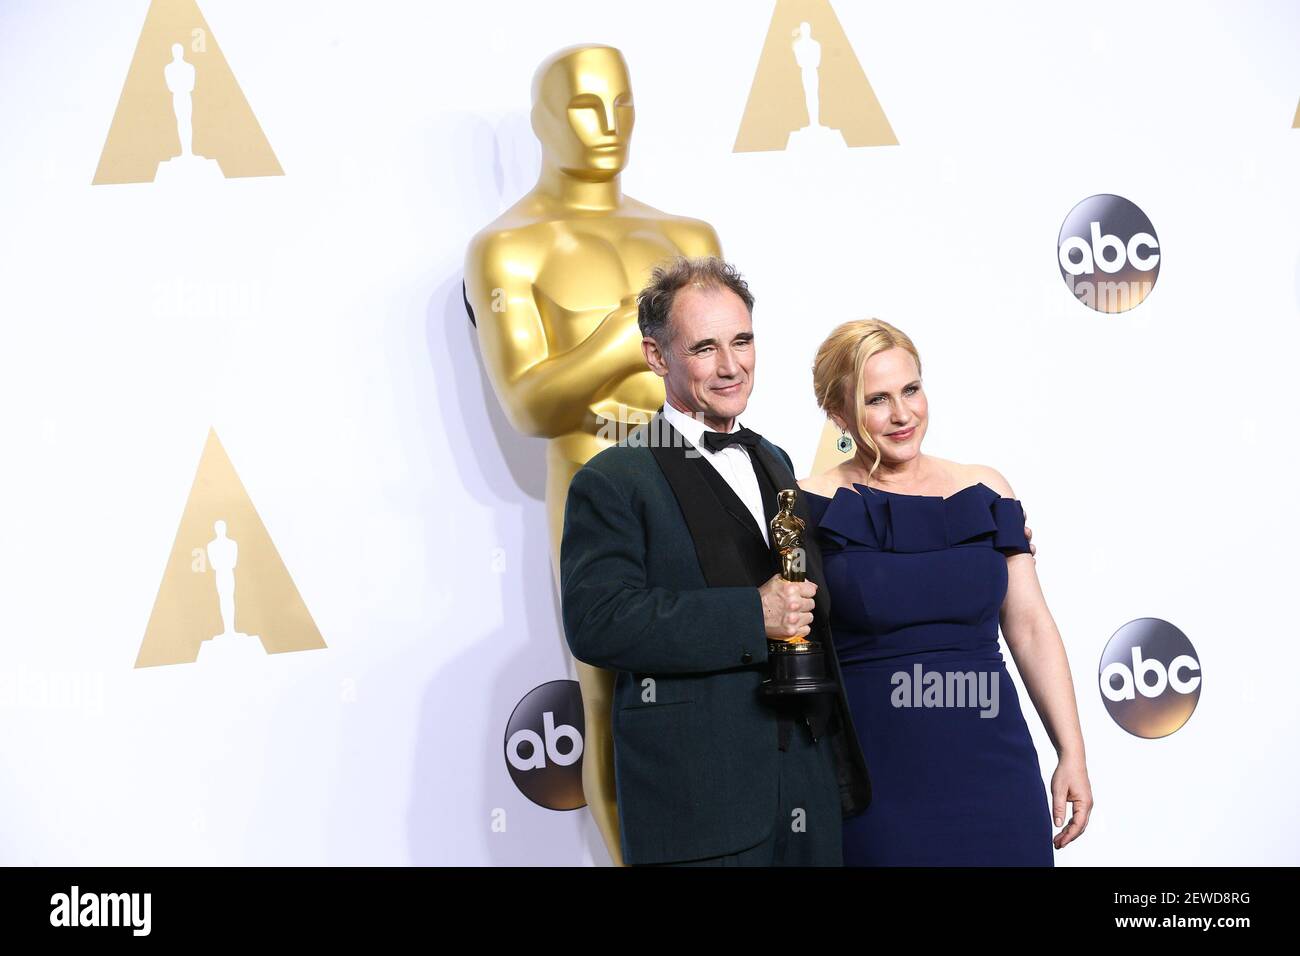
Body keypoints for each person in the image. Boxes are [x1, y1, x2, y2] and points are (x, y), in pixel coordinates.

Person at [559, 256, 870, 866]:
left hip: (807, 788)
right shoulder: (614, 478)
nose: (732, 367)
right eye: (705, 348)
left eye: (742, 341)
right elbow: (598, 620)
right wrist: (752, 615)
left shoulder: (774, 458)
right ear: (656, 357)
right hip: (697, 802)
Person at [797, 318, 1094, 865]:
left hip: (996, 771)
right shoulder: (805, 505)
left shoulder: (985, 489)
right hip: (878, 778)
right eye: (876, 400)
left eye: (911, 389)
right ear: (837, 413)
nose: (902, 414)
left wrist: (1070, 751)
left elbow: (1029, 625)